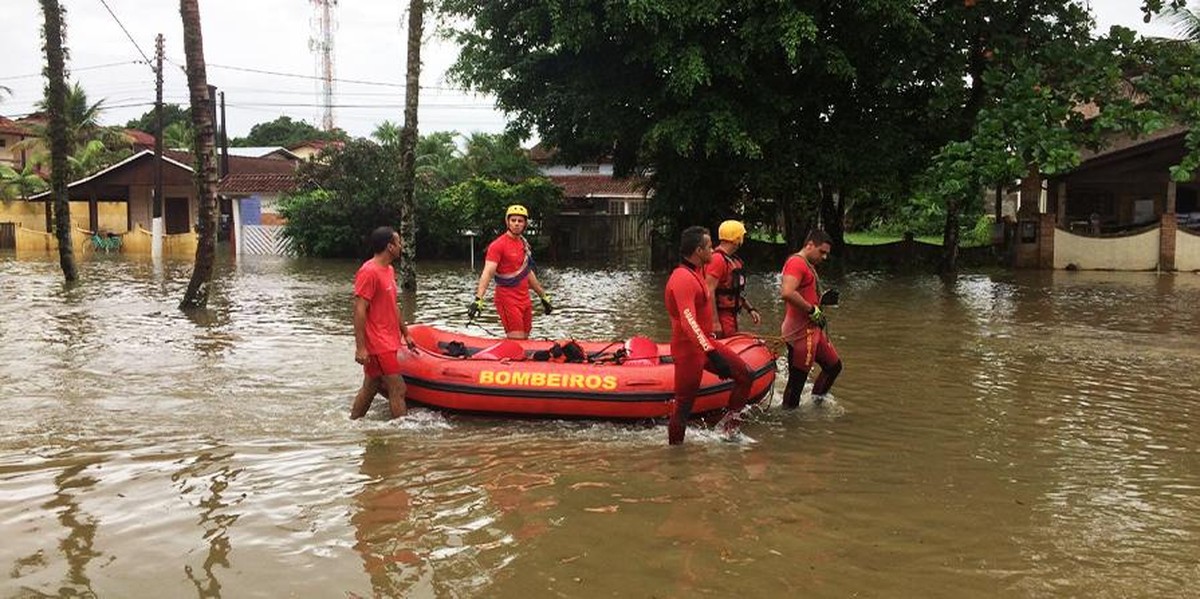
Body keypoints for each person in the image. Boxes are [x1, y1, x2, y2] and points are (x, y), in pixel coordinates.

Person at [665, 225, 754, 445]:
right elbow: (689, 322)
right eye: (709, 247)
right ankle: (675, 456)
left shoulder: (698, 272)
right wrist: (712, 354)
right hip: (689, 351)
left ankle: (729, 432)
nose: (713, 250)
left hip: (705, 344)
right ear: (698, 251)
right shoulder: (682, 279)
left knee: (746, 376)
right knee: (684, 406)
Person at [351, 226, 415, 420]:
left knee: (371, 386)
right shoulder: (368, 272)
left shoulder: (388, 270)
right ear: (390, 247)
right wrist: (361, 347)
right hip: (378, 342)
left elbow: (392, 305)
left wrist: (405, 333)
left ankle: (353, 422)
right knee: (398, 387)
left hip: (388, 338)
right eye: (398, 242)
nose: (401, 246)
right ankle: (402, 434)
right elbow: (359, 309)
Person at [467, 204, 552, 339]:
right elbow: (488, 273)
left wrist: (543, 296)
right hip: (507, 298)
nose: (516, 224)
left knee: (525, 337)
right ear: (507, 222)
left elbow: (528, 273)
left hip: (525, 298)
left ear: (525, 224)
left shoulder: (524, 244)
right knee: (516, 337)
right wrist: (478, 299)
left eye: (520, 221)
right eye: (513, 220)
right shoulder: (498, 246)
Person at [779, 229, 843, 408]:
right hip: (801, 333)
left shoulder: (808, 264)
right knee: (797, 382)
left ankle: (817, 403)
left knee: (834, 366)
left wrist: (819, 306)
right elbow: (787, 292)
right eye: (821, 252)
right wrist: (811, 310)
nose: (824, 257)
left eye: (826, 254)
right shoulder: (796, 263)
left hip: (812, 329)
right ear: (809, 245)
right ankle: (788, 422)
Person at [704, 219, 761, 338]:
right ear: (736, 239)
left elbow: (735, 291)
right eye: (741, 236)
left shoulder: (733, 260)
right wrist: (715, 322)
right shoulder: (718, 260)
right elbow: (709, 291)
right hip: (722, 315)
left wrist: (750, 309)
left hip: (731, 315)